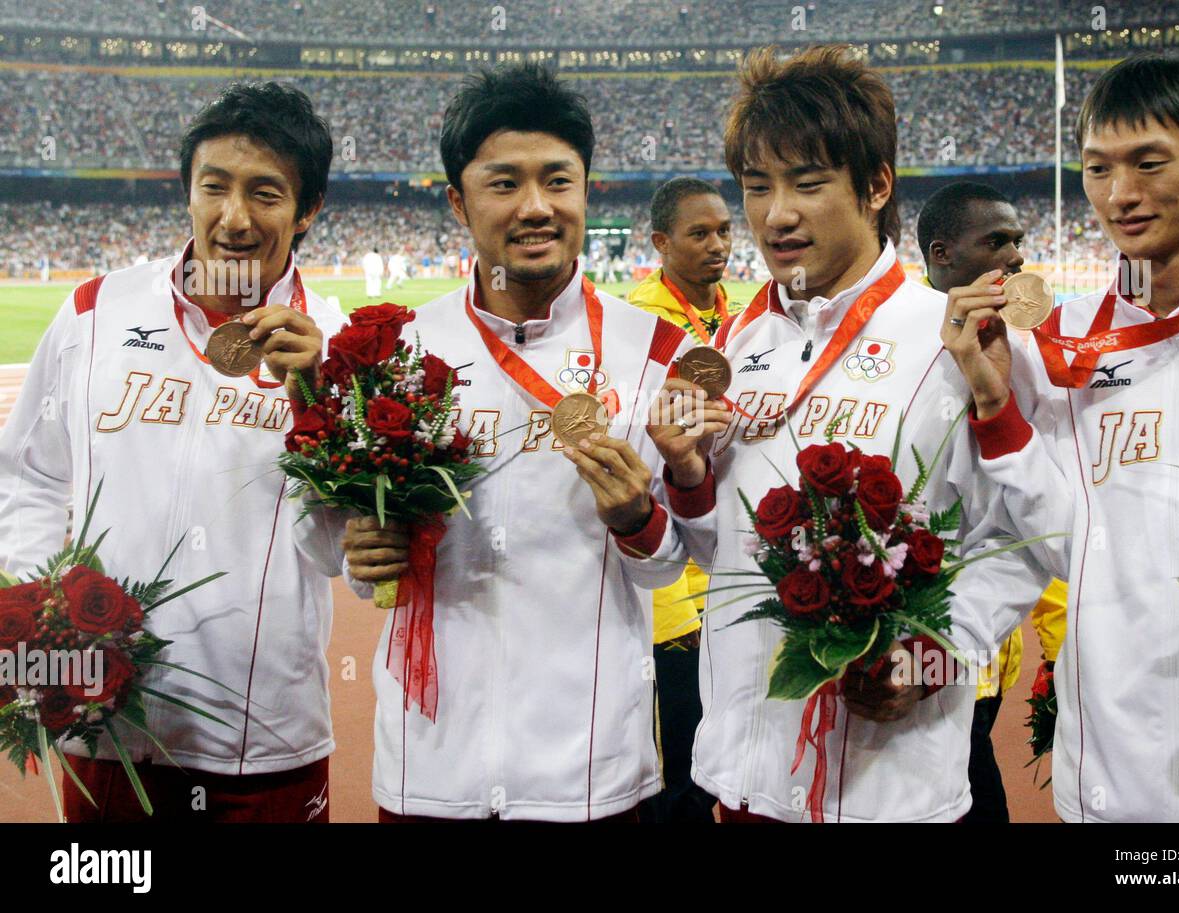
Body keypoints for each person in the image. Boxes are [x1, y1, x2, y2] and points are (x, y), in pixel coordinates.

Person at [646, 46, 1046, 823]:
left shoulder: (958, 340)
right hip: (742, 778)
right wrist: (688, 476)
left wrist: (927, 658)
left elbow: (1030, 538)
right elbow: (712, 553)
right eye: (756, 186)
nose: (774, 214)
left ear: (876, 186)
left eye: (806, 182)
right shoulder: (732, 345)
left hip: (890, 788)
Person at [296, 63, 694, 822]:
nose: (536, 207)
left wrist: (638, 518)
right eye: (504, 183)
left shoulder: (654, 352)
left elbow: (680, 557)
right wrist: (361, 552)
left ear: (588, 190)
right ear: (458, 200)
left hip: (592, 766)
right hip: (430, 762)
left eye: (558, 180)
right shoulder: (398, 350)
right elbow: (336, 547)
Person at [944, 54, 1179, 822]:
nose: (1120, 196)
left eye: (1148, 163)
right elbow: (1043, 538)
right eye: (1097, 169)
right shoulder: (1052, 346)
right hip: (1109, 764)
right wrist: (997, 407)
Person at [0, 82, 345, 822]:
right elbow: (29, 473)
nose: (234, 217)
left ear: (308, 209)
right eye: (213, 187)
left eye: (266, 193)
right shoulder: (96, 309)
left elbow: (346, 550)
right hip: (108, 725)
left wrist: (319, 402)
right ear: (186, 192)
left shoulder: (344, 341)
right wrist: (35, 615)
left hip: (266, 733)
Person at [916, 181, 1069, 823]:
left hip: (991, 639)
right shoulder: (900, 352)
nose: (1015, 258)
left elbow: (1045, 526)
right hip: (915, 643)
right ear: (943, 253)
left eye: (1018, 242)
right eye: (997, 242)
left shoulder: (1031, 351)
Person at [626, 176, 737, 823]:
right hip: (669, 580)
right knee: (680, 761)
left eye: (724, 230)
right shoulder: (634, 326)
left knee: (729, 737)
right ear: (662, 242)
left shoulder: (748, 316)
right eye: (700, 233)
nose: (718, 244)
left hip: (736, 564)